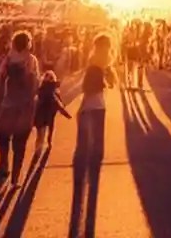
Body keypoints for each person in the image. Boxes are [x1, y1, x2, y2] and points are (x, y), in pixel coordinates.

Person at [0, 31, 40, 187]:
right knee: (20, 143)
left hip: (9, 104)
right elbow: (35, 85)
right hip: (25, 106)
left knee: (3, 136)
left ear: (13, 43)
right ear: (29, 44)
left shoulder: (8, 60)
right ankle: (15, 178)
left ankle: (3, 164)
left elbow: (1, 82)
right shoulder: (32, 60)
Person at [74, 35, 112, 181]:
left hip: (91, 105)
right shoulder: (100, 65)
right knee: (96, 139)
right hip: (98, 105)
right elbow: (91, 86)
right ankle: (93, 170)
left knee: (85, 140)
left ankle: (88, 170)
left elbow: (86, 88)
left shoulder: (95, 65)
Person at [34, 70, 72, 149]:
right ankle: (48, 142)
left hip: (40, 115)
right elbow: (58, 104)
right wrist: (66, 114)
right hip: (50, 115)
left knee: (40, 133)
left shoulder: (40, 90)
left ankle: (39, 147)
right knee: (50, 129)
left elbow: (35, 102)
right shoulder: (53, 92)